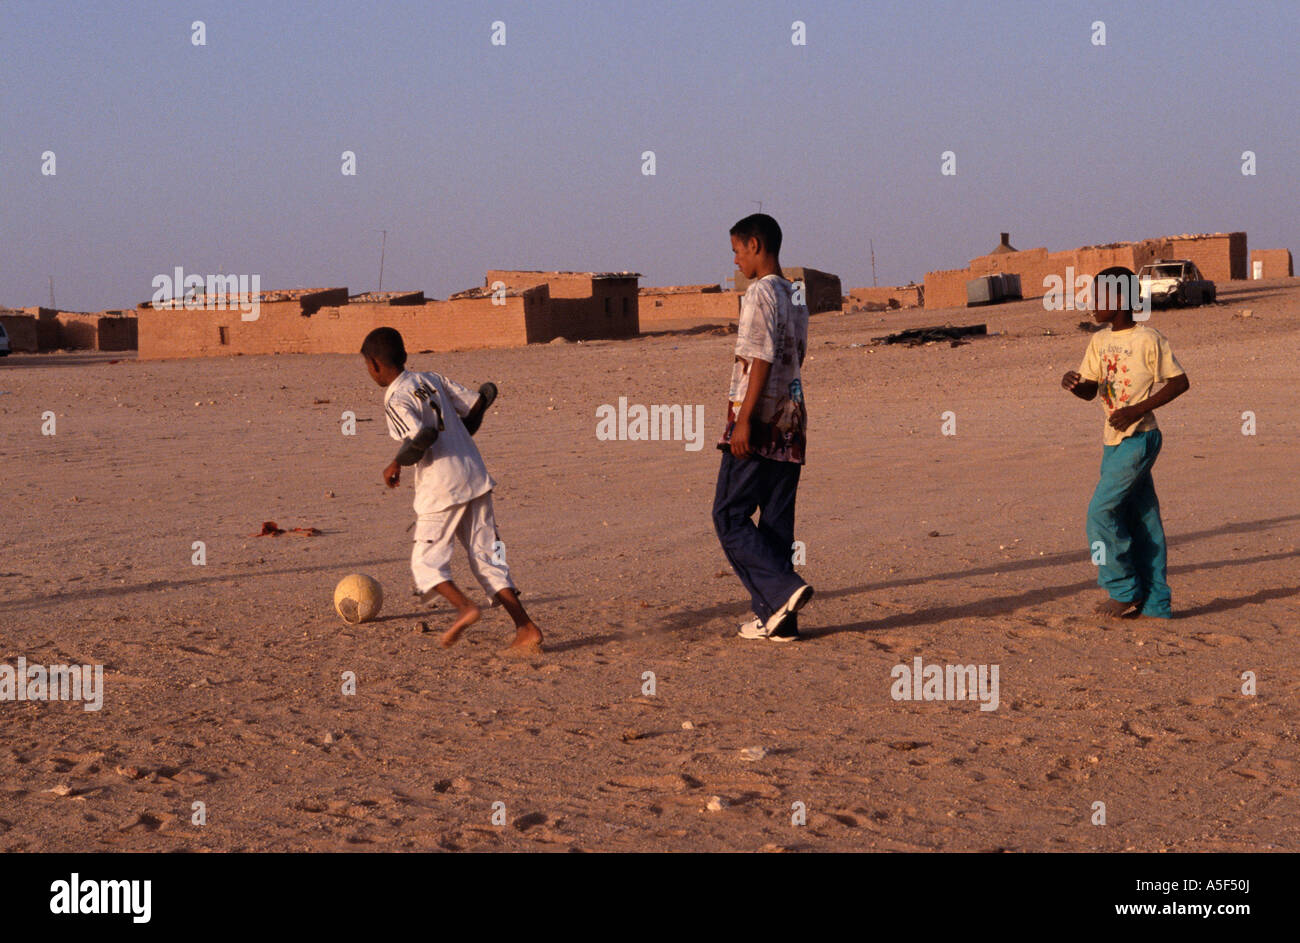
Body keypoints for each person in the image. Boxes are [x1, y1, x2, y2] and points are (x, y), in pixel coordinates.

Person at [360, 327, 543, 653]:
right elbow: (474, 408)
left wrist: (395, 464)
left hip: (441, 488)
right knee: (489, 559)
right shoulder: (431, 379)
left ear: (374, 364)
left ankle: (465, 609)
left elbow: (420, 438)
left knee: (425, 564)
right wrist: (476, 407)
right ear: (403, 355)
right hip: (475, 476)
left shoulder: (394, 397)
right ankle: (525, 627)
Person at [1062, 266, 1190, 618]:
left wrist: (1137, 410)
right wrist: (1075, 384)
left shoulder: (1148, 339)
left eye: (1097, 297)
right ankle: (1156, 604)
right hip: (1113, 441)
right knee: (1144, 519)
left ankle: (1122, 589)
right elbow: (1091, 390)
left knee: (1099, 513)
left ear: (1119, 299)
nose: (1090, 305)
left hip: (1140, 438)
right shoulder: (1098, 341)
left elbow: (1179, 382)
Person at [713, 213, 813, 641]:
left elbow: (761, 359)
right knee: (774, 522)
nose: (735, 260)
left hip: (759, 422)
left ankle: (783, 590)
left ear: (755, 245)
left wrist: (744, 421)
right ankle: (778, 617)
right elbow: (797, 357)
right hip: (791, 420)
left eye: (737, 250)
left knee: (729, 515)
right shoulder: (796, 295)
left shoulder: (759, 293)